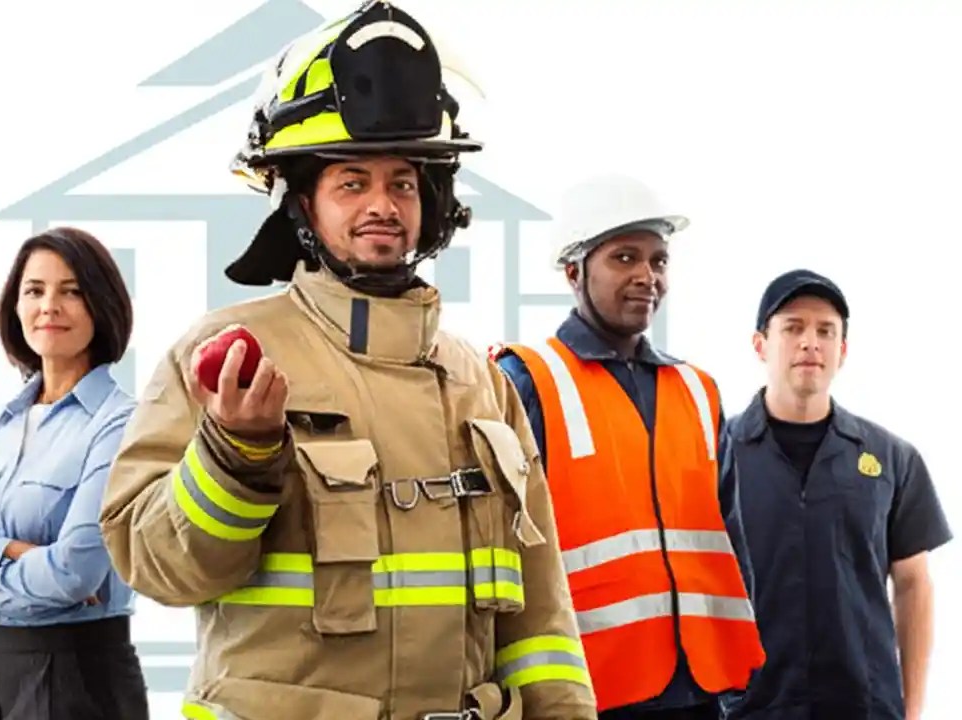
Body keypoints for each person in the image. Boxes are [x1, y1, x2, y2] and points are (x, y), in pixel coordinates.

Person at [99, 3, 597, 719]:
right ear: (302, 203)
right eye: (352, 182)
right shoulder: (227, 356)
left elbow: (541, 612)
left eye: (402, 182)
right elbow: (155, 566)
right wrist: (234, 456)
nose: (382, 205)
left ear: (434, 202)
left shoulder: (484, 383)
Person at [489, 175, 765, 719]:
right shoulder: (528, 381)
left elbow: (730, 542)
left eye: (658, 261)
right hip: (587, 690)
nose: (647, 277)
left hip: (700, 687)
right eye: (624, 258)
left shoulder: (698, 391)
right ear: (574, 272)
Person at [0, 227, 146, 720]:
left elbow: (76, 573)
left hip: (75, 670)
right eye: (34, 290)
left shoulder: (121, 423)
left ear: (102, 305)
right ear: (15, 307)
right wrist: (10, 552)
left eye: (71, 291)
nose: (49, 306)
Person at [721, 269, 952, 720]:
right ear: (760, 345)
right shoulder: (715, 456)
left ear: (842, 351)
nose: (811, 342)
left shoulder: (892, 459)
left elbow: (913, 585)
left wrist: (913, 709)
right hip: (751, 707)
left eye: (826, 331)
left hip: (864, 706)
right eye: (793, 328)